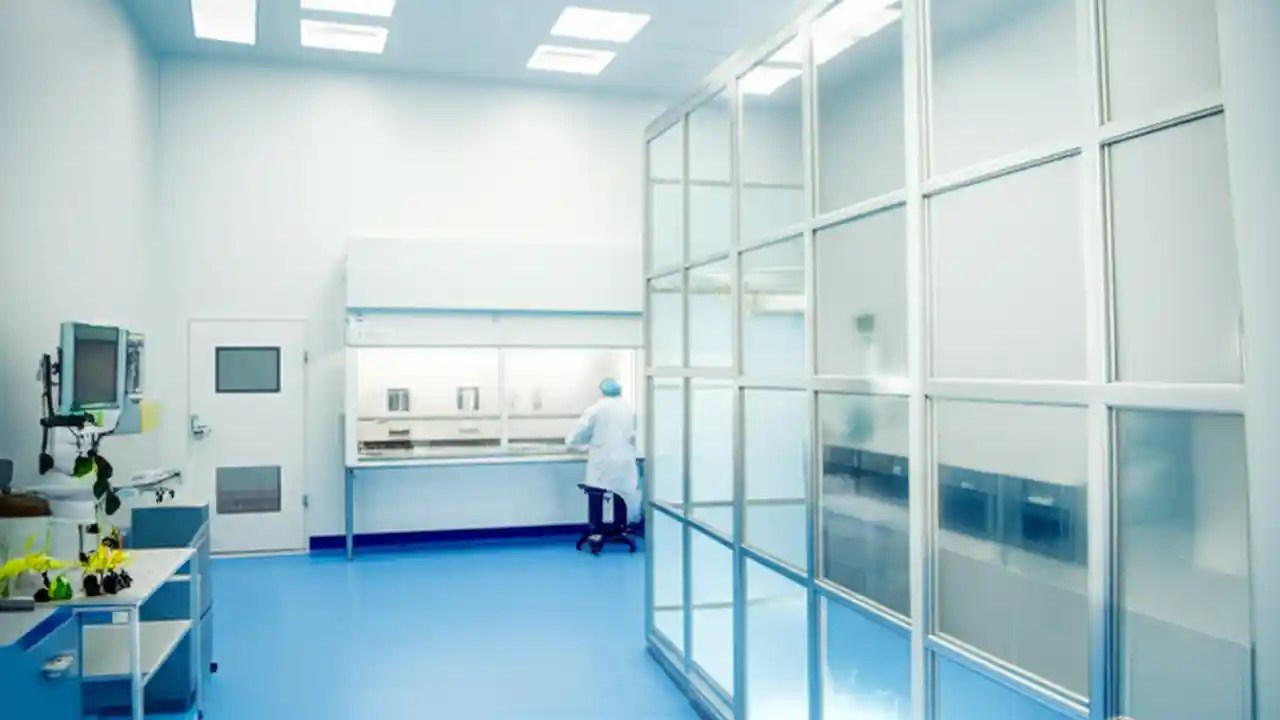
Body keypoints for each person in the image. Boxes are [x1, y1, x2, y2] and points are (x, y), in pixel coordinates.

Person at [566, 378, 641, 524]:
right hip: (625, 461)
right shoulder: (628, 409)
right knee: (621, 496)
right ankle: (619, 528)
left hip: (603, 462)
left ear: (601, 391)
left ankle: (598, 532)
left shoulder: (596, 409)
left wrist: (571, 443)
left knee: (598, 496)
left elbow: (579, 433)